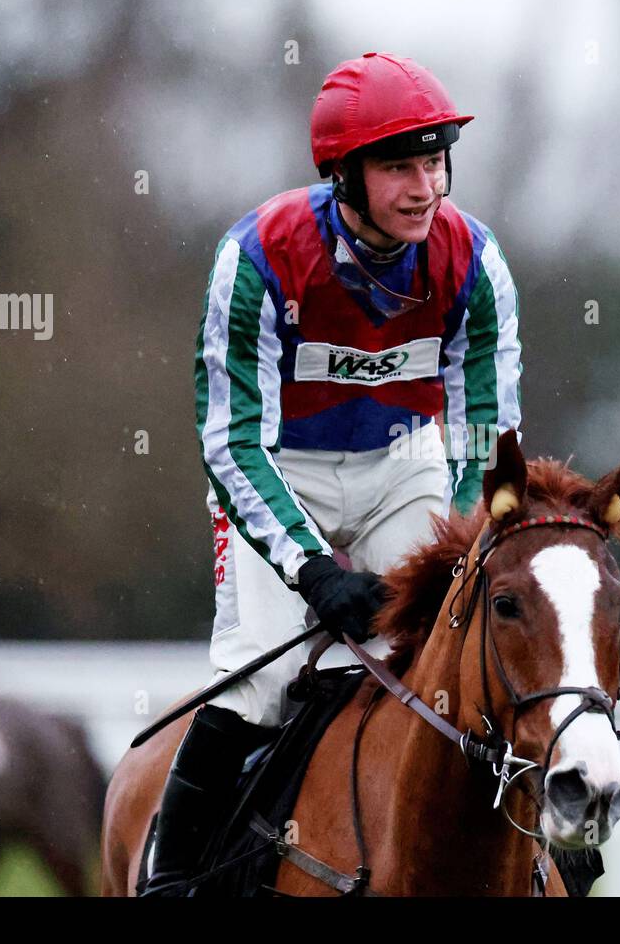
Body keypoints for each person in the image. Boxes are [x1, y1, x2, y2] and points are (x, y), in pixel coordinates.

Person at [144, 52, 524, 894]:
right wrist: (314, 571)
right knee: (262, 680)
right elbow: (233, 446)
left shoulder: (476, 263)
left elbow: (484, 440)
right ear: (343, 176)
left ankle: (543, 855)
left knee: (446, 657)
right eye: (399, 166)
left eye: (435, 162)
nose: (426, 187)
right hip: (281, 474)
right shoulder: (257, 258)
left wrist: (453, 552)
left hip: (406, 465)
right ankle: (168, 880)